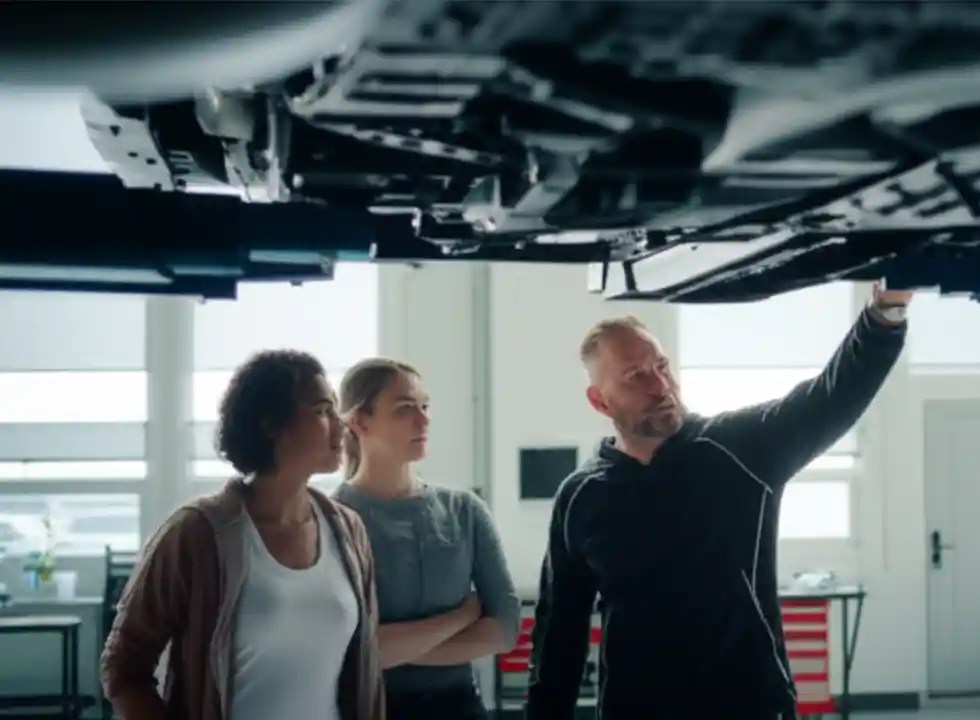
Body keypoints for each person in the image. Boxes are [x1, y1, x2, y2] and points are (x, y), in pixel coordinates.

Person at [525, 284, 912, 720]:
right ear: (600, 401)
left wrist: (886, 311)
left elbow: (831, 396)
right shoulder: (580, 497)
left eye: (661, 366)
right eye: (636, 376)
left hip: (750, 704)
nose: (660, 385)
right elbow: (559, 634)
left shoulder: (740, 449)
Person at [100, 349, 385, 720]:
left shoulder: (348, 531)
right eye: (322, 411)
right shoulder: (197, 533)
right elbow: (124, 666)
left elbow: (365, 669)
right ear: (271, 425)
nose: (340, 425)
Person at [333, 358, 520, 720]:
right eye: (404, 408)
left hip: (460, 707)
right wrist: (462, 616)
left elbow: (505, 629)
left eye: (425, 406)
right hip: (374, 708)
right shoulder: (333, 519)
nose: (423, 420)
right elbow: (348, 647)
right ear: (360, 422)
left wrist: (387, 649)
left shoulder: (464, 510)